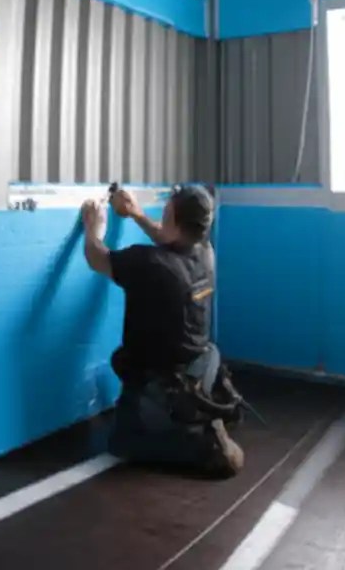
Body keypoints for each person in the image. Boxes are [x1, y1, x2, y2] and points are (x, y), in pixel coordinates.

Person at [80, 184, 246, 477]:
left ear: (172, 216)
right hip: (198, 365)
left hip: (163, 380)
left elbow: (97, 257)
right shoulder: (206, 253)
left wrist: (94, 227)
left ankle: (202, 443)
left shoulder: (150, 263)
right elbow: (167, 238)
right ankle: (202, 411)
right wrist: (136, 214)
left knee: (122, 442)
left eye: (167, 210)